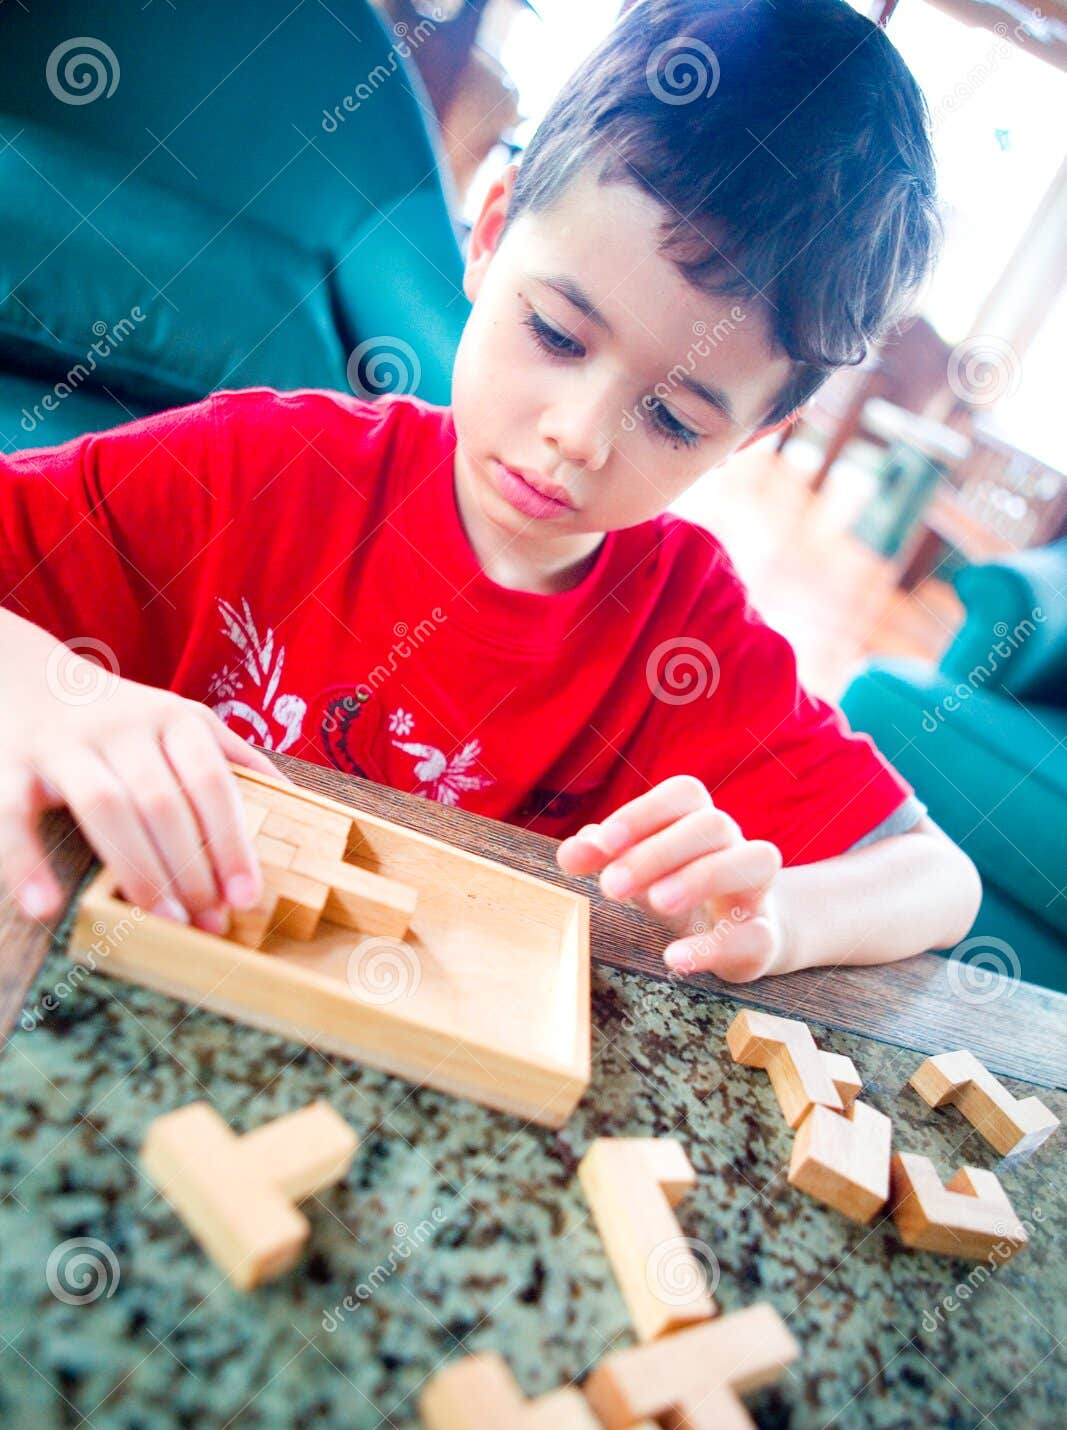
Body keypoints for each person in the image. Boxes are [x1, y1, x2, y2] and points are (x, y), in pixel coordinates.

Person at [0, 0, 981, 982]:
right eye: (556, 334)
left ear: (753, 436)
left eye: (674, 419)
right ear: (492, 232)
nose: (577, 436)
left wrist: (788, 912)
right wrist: (46, 696)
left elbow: (935, 881)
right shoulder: (258, 466)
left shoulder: (684, 632)